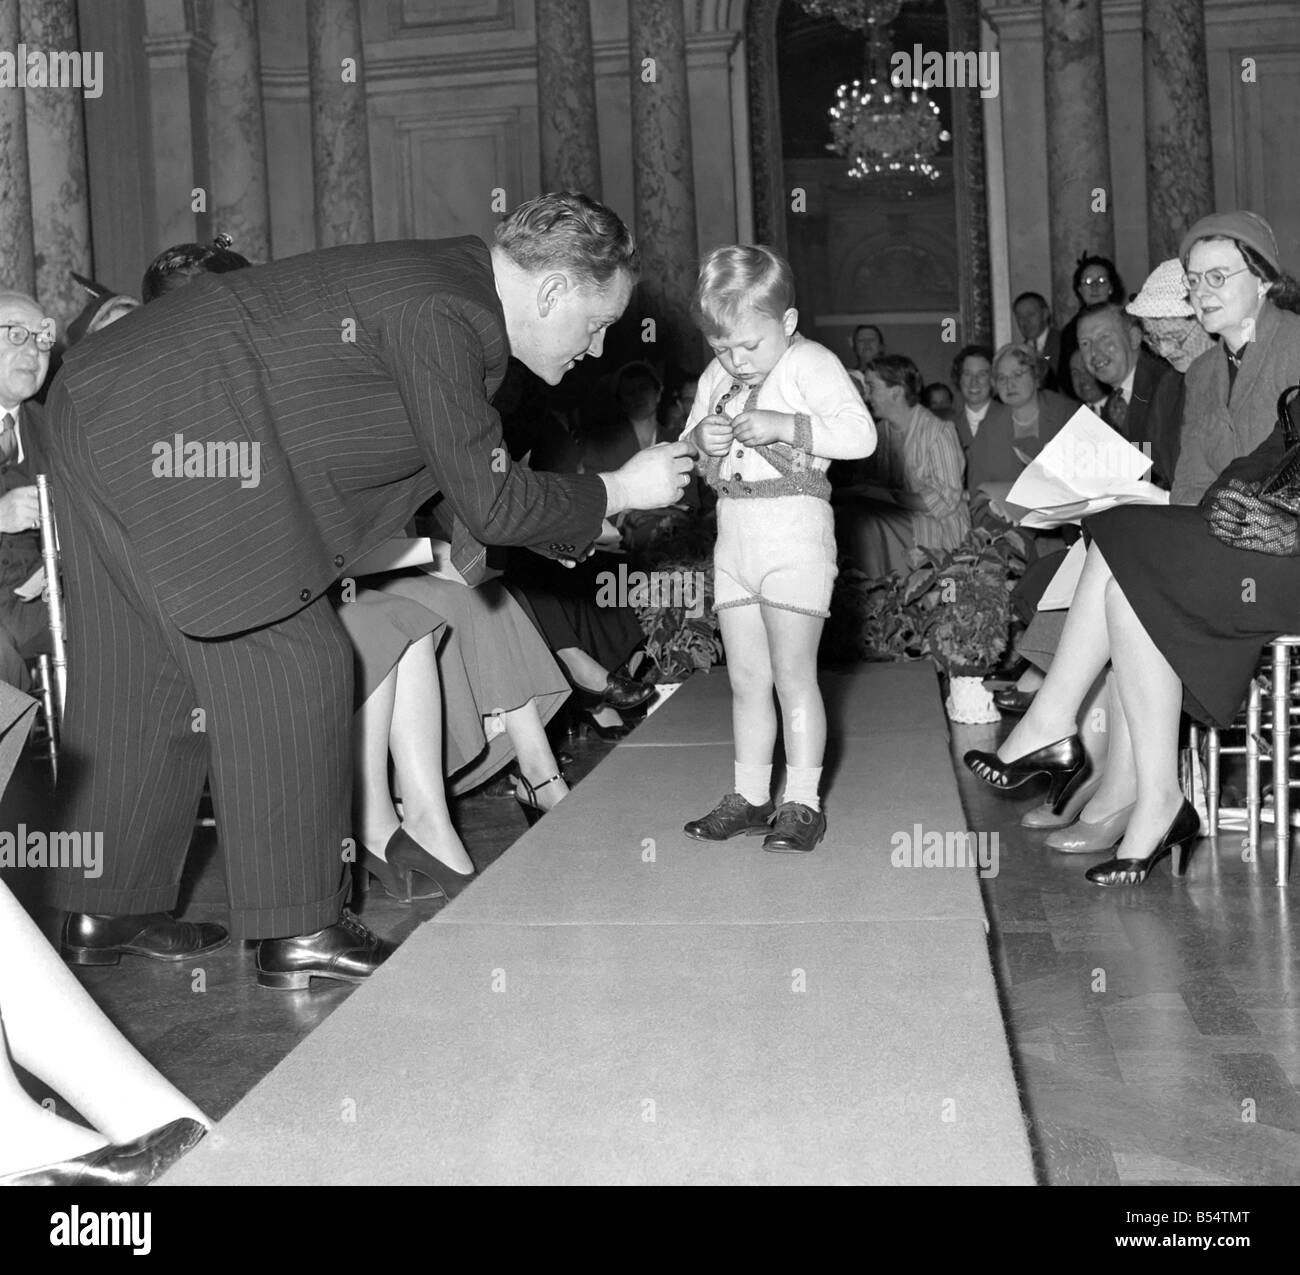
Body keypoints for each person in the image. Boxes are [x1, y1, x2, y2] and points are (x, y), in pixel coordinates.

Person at [42, 191, 693, 988]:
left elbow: (456, 481)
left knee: (146, 668)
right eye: (596, 325)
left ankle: (106, 907)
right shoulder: (448, 312)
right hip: (167, 420)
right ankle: (299, 931)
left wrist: (564, 529)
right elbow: (488, 497)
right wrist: (619, 490)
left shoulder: (446, 289)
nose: (595, 350)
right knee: (296, 661)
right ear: (552, 292)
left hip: (98, 403)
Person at [967, 210, 1300, 884]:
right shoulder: (1205, 372)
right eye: (1194, 279)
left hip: (1283, 560)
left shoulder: (1297, 344)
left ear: (1263, 280)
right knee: (1125, 575)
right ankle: (1156, 801)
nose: (1202, 290)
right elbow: (1197, 494)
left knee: (1119, 536)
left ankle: (1053, 724)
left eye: (1219, 276)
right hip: (1224, 552)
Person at [680, 245, 874, 852]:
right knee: (745, 679)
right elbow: (688, 447)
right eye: (721, 347)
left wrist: (785, 425)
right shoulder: (719, 376)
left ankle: (802, 802)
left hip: (796, 537)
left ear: (785, 324)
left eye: (748, 346)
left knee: (794, 678)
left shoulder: (810, 362)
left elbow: (861, 435)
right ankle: (750, 794)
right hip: (735, 536)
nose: (735, 361)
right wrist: (699, 437)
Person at [838, 354, 968, 577]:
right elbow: (863, 484)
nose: (866, 395)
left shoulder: (939, 432)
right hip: (892, 525)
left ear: (896, 391)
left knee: (868, 527)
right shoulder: (878, 433)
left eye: (871, 387)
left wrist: (880, 494)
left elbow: (942, 502)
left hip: (936, 533)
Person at [0, 293, 55, 693]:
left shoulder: (54, 427)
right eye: (16, 334)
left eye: (41, 338)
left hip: (40, 603)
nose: (33, 350)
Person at [1076, 300, 1183, 487]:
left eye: (1104, 338)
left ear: (1134, 337)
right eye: (1085, 344)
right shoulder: (1113, 404)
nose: (1094, 352)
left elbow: (1166, 472)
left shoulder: (1168, 385)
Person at [967, 342, 1074, 528]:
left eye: (1018, 374)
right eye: (1001, 378)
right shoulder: (988, 428)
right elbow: (977, 498)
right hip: (1008, 534)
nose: (1009, 384)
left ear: (1036, 376)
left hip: (1066, 529)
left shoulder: (1066, 412)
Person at [1058, 254, 1125, 399]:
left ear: (1111, 287)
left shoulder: (1127, 322)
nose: (1095, 287)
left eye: (1101, 280)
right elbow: (1066, 379)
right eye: (1088, 281)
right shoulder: (1070, 332)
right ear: (1080, 290)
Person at [1012, 291, 1062, 391]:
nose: (1025, 321)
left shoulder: (1064, 342)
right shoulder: (1016, 354)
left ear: (1045, 314)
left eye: (1030, 314)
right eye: (1020, 317)